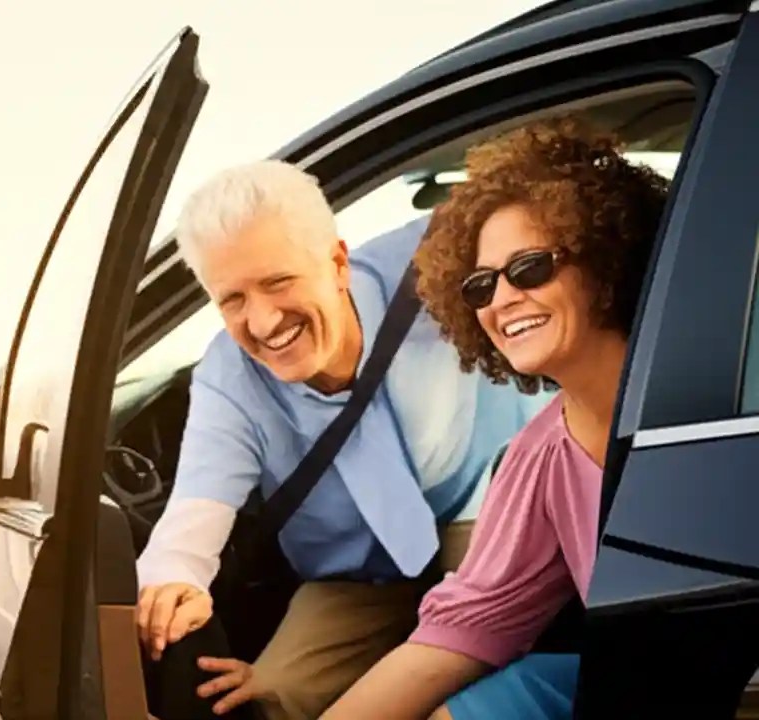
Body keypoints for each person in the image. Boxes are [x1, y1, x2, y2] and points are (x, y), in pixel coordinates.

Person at [134, 160, 551, 720]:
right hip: (358, 575)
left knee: (471, 681)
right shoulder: (228, 379)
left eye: (278, 282)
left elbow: (553, 228)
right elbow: (194, 514)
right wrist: (173, 585)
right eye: (231, 299)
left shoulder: (434, 260)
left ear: (336, 263)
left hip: (483, 514)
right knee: (267, 697)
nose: (260, 321)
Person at [319, 116, 668, 719]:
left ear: (607, 259)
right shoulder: (541, 460)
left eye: (530, 268)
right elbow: (460, 630)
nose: (502, 299)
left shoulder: (727, 381)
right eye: (480, 285)